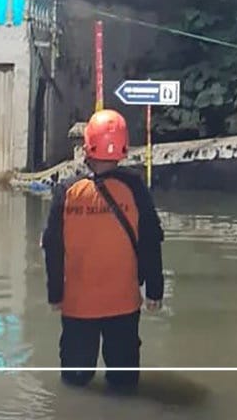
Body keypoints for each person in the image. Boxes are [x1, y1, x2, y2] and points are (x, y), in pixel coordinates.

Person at [41, 109, 165, 390]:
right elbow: (150, 241)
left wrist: (55, 294)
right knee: (123, 384)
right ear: (123, 147)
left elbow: (52, 246)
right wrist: (154, 290)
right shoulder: (136, 188)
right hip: (123, 304)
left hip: (77, 305)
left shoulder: (67, 191)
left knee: (75, 383)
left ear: (87, 147)